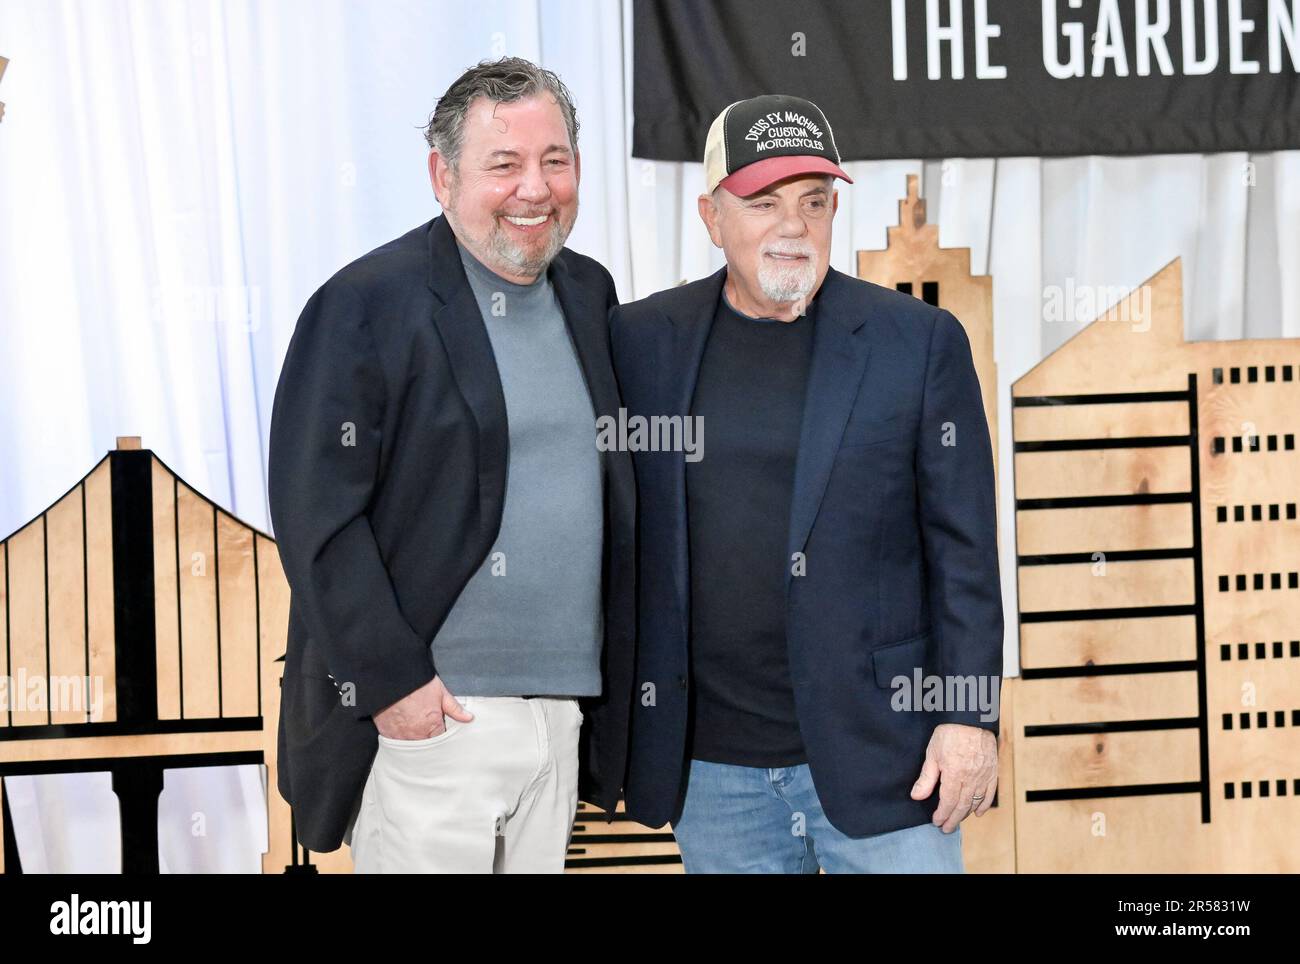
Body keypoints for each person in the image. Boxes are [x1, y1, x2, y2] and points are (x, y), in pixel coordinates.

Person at [609, 94, 1003, 873]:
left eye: (814, 203)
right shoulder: (642, 342)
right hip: (713, 773)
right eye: (763, 203)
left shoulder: (916, 342)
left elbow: (966, 550)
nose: (793, 226)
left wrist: (969, 716)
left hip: (893, 761)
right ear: (711, 216)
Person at [267, 57, 635, 873]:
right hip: (437, 719)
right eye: (503, 164)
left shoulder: (592, 295)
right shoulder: (365, 303)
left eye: (555, 161)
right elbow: (314, 512)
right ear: (443, 175)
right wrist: (395, 687)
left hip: (560, 717)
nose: (534, 189)